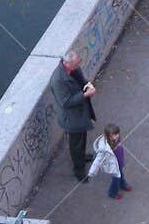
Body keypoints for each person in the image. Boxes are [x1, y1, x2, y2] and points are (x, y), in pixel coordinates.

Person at [50, 49, 97, 182]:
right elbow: (65, 102)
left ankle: (81, 158)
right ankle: (79, 171)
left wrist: (87, 85)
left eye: (78, 63)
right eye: (76, 64)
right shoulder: (58, 79)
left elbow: (81, 80)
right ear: (67, 63)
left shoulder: (72, 69)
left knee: (82, 138)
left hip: (79, 113)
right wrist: (85, 95)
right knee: (76, 144)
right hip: (71, 118)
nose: (78, 66)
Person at [92, 123, 131, 199]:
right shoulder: (107, 146)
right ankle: (112, 192)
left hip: (119, 162)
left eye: (117, 134)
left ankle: (122, 184)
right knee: (116, 179)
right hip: (114, 166)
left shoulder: (116, 140)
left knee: (121, 174)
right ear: (109, 136)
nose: (117, 136)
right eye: (114, 134)